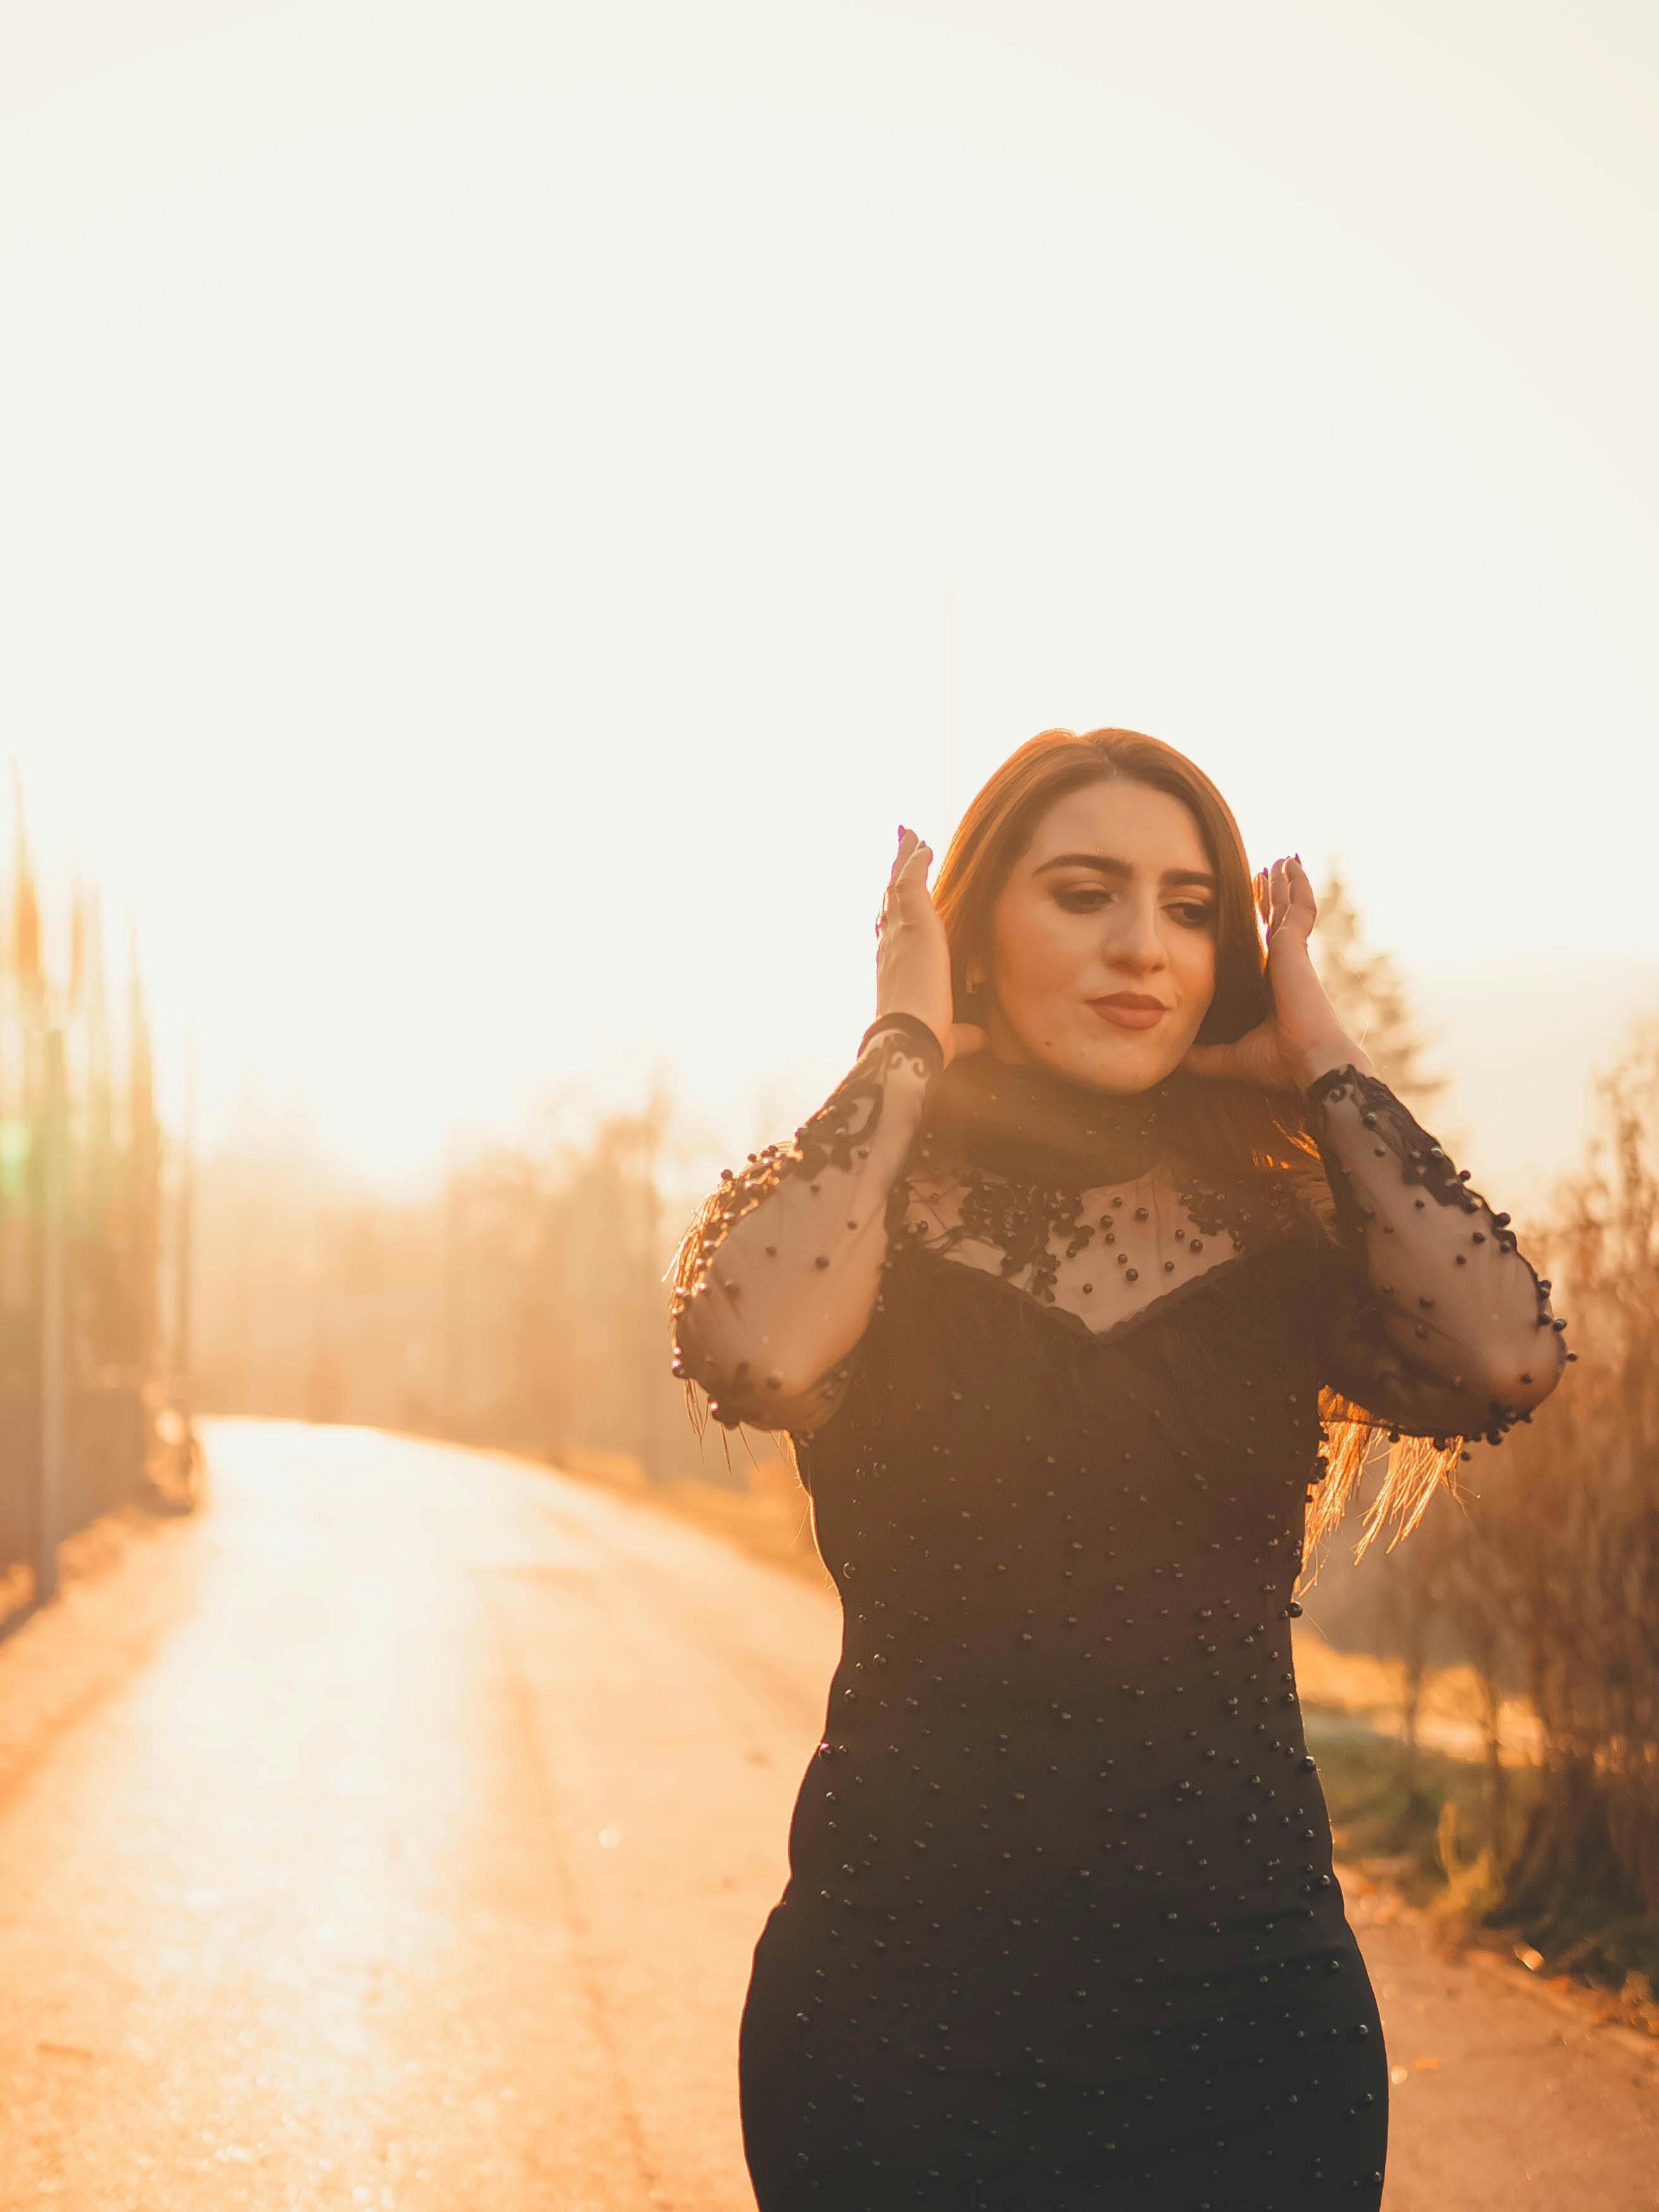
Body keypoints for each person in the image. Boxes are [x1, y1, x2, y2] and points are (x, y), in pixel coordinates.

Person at [669, 726, 1567, 2212]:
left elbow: (1503, 1358)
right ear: (973, 926)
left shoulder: (1277, 1229)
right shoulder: (867, 1223)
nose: (1142, 946)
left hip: (1245, 2017)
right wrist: (903, 1046)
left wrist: (1321, 1060)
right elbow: (754, 1349)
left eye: (1189, 906)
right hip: (900, 2012)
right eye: (1083, 893)